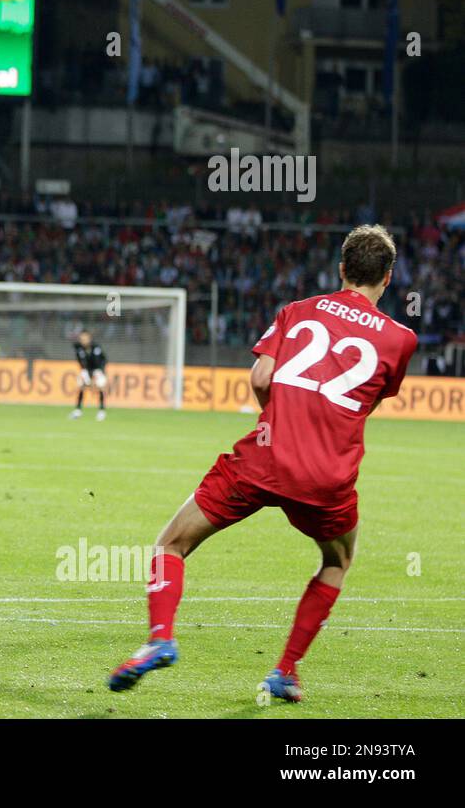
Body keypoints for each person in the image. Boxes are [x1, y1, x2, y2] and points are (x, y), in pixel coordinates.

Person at [107, 225, 418, 702]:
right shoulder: (401, 339)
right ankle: (285, 671)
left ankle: (160, 637)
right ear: (389, 277)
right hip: (327, 476)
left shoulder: (297, 311)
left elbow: (261, 376)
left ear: (341, 269)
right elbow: (365, 401)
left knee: (171, 543)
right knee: (337, 561)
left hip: (264, 458)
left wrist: (282, 420)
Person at [71, 330, 108, 421]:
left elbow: (103, 361)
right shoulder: (78, 348)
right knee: (81, 386)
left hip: (98, 370)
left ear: (89, 338)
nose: (83, 340)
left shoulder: (96, 348)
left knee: (100, 387)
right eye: (82, 338)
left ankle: (101, 411)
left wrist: (97, 375)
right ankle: (78, 411)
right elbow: (82, 363)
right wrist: (88, 377)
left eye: (85, 338)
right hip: (86, 370)